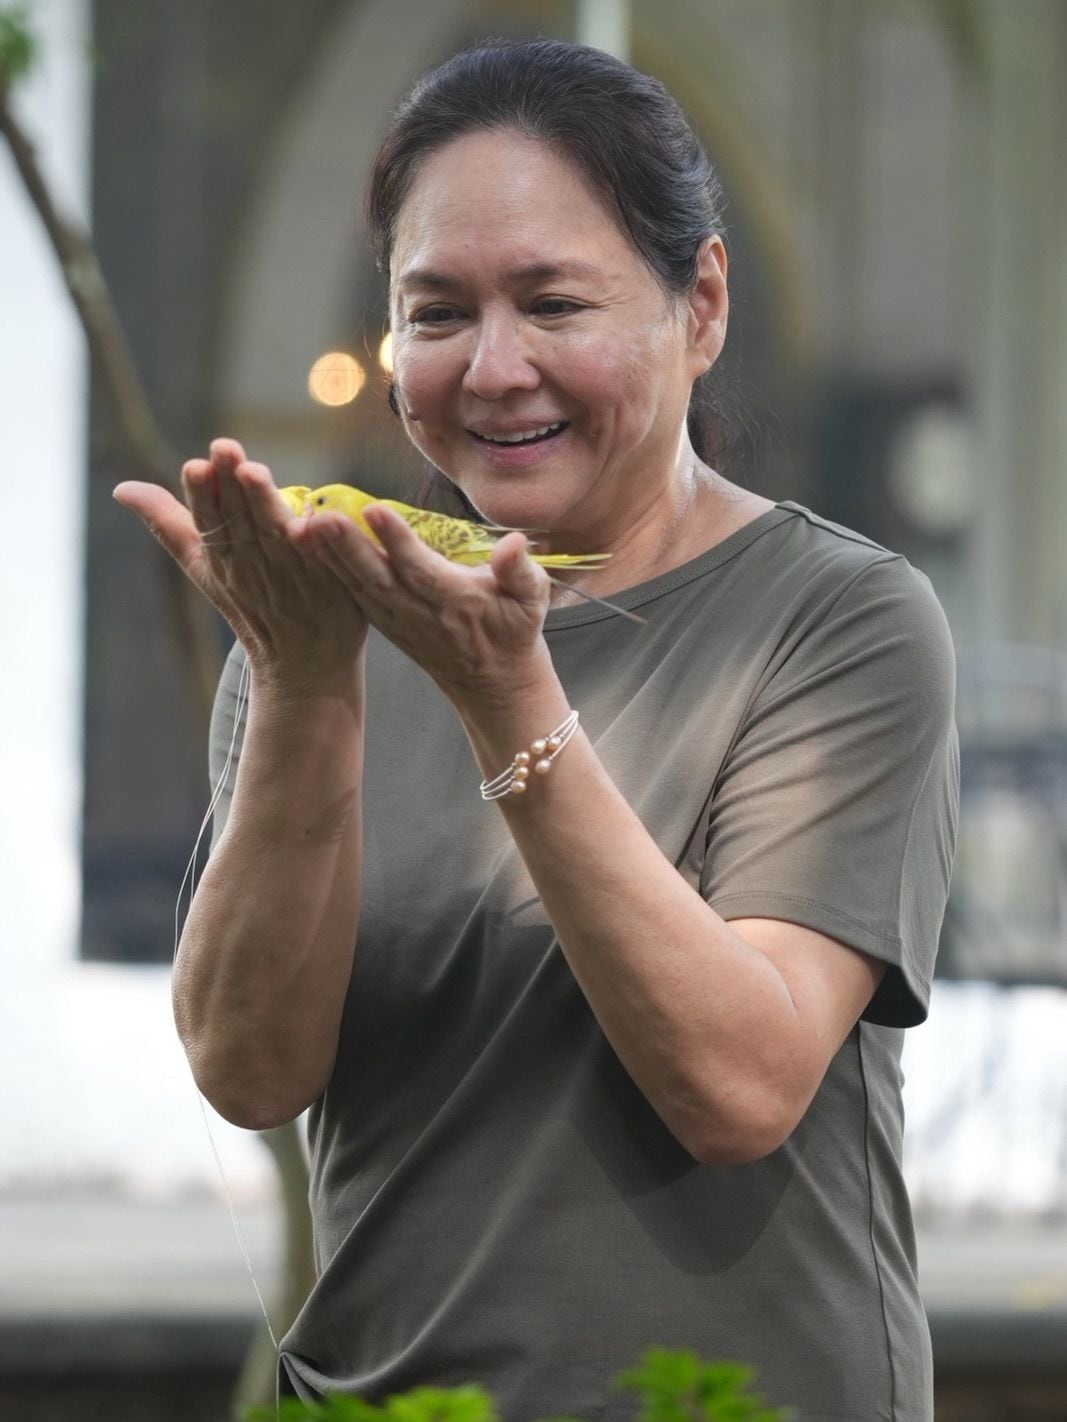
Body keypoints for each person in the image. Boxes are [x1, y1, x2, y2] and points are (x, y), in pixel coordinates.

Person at [115, 38, 958, 1422]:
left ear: (702, 305)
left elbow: (739, 1084)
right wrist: (305, 688)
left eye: (554, 302)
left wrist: (508, 694)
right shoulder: (320, 620)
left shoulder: (837, 623)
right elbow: (253, 1072)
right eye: (436, 311)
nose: (494, 369)